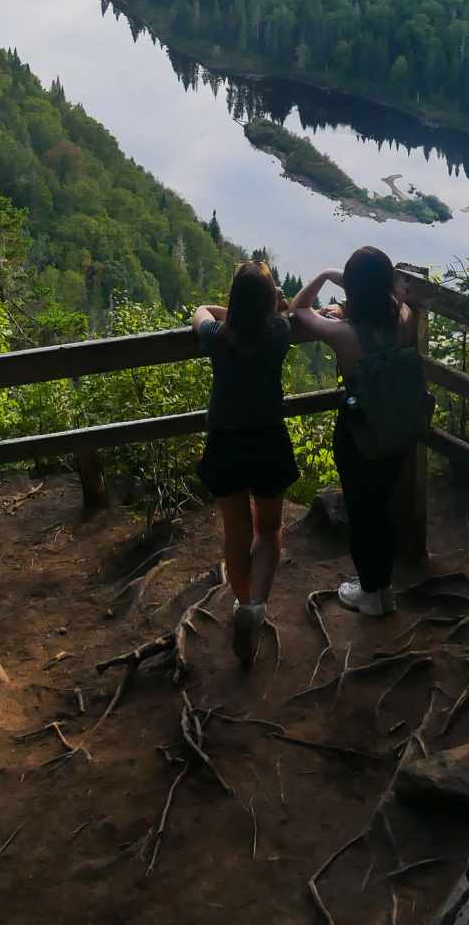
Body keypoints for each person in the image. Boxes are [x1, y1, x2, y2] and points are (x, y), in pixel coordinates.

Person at [289, 246, 415, 616]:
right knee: (383, 505)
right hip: (398, 427)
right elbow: (390, 300)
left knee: (362, 512)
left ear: (354, 289)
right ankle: (384, 588)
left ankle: (371, 595)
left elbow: (298, 308)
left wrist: (327, 274)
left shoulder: (345, 336)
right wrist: (360, 292)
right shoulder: (404, 318)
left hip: (360, 434)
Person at [192, 259, 297, 667]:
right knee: (268, 529)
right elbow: (279, 318)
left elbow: (199, 312)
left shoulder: (219, 338)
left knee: (236, 531)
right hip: (268, 439)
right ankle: (255, 607)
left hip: (226, 442)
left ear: (235, 300)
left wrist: (224, 310)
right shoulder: (278, 333)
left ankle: (241, 604)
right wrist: (275, 307)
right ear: (269, 302)